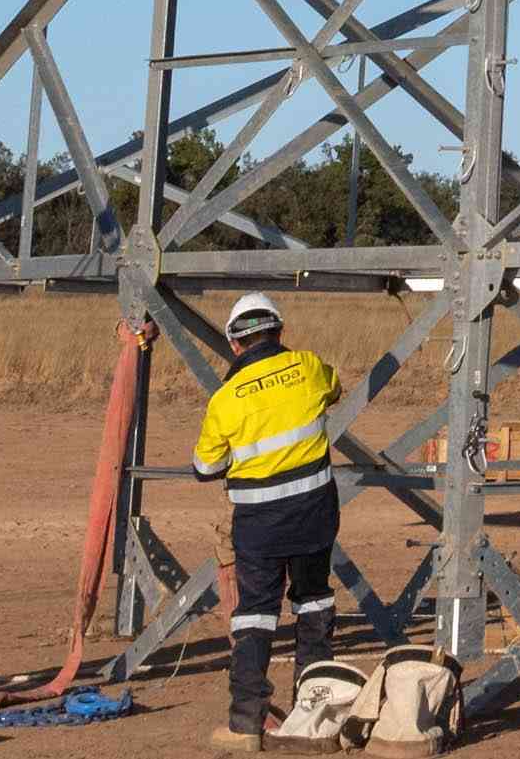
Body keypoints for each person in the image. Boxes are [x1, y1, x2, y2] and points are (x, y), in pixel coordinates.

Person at [192, 294, 343, 745]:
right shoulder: (309, 366)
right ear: (279, 332)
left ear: (235, 345)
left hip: (259, 524)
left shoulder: (225, 400)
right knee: (314, 602)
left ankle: (247, 722)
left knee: (255, 615)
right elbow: (334, 390)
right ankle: (313, 715)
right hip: (316, 512)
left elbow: (205, 467)